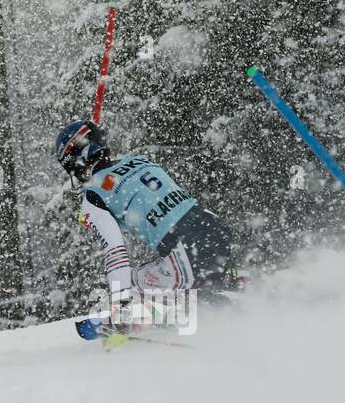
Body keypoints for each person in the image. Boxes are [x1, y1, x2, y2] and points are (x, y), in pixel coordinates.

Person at [55, 119, 237, 331]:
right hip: (214, 231)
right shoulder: (141, 161)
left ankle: (159, 319)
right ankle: (215, 307)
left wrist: (120, 304)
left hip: (187, 253)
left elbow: (115, 252)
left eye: (71, 166)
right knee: (172, 277)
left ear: (77, 159)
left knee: (133, 282)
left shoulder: (93, 196)